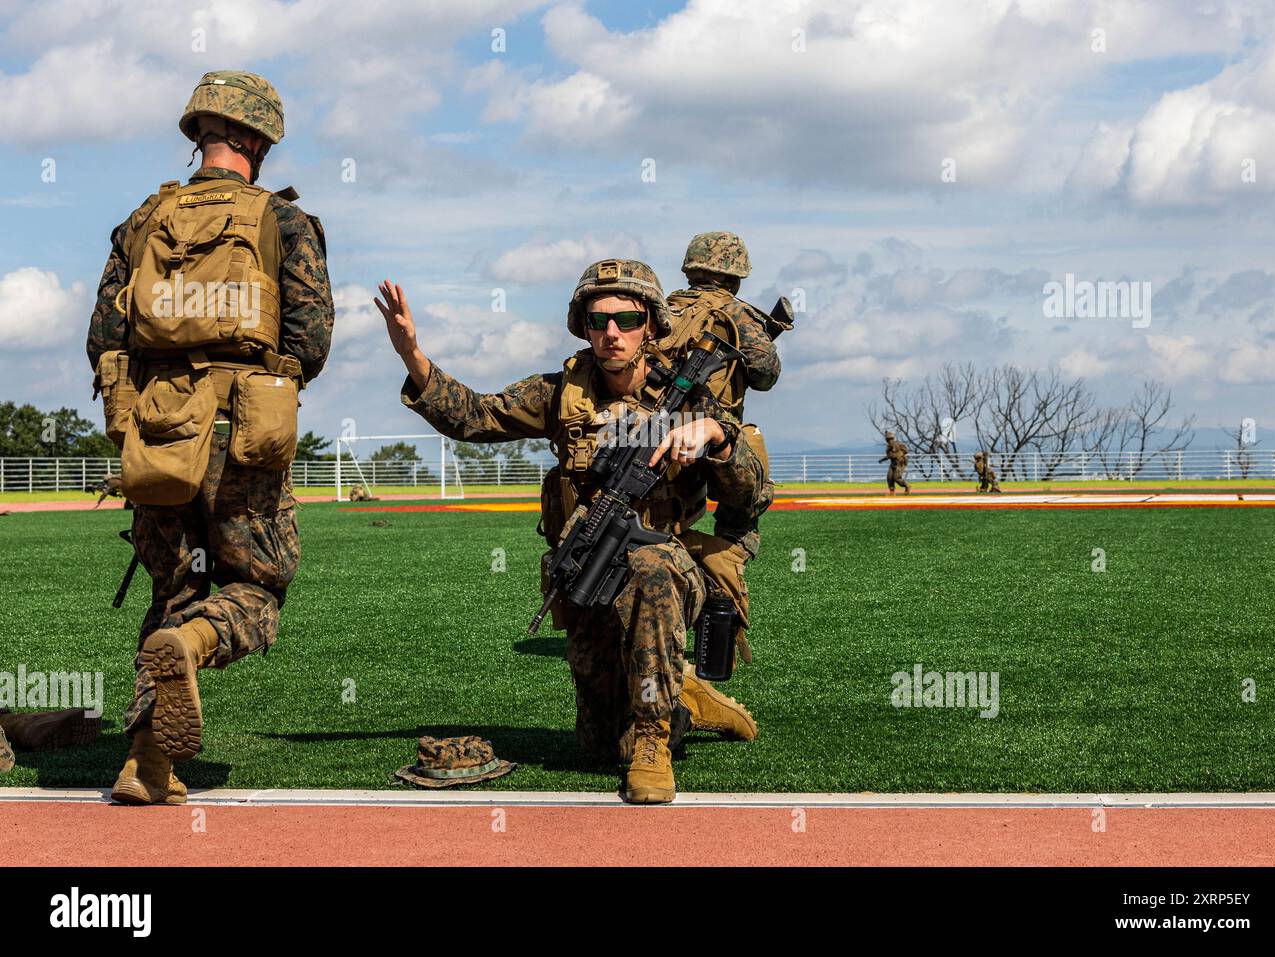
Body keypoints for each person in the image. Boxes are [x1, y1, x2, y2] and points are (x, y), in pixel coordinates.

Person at [377, 260, 766, 804]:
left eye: (627, 319)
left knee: (650, 571)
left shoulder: (690, 399)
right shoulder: (561, 394)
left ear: (651, 324)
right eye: (597, 319)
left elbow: (753, 495)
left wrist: (719, 438)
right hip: (590, 577)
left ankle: (656, 737)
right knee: (601, 745)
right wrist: (413, 357)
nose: (612, 332)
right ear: (582, 325)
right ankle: (684, 696)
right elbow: (476, 416)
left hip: (668, 572)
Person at [87, 70, 334, 806]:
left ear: (199, 134)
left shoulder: (141, 222)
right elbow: (310, 341)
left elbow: (104, 334)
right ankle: (192, 648)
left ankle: (144, 763)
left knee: (174, 586)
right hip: (240, 436)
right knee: (257, 586)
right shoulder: (283, 223)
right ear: (258, 140)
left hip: (158, 434)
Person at [663, 231, 788, 665]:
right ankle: (723, 602)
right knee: (746, 506)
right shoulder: (737, 313)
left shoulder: (660, 308)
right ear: (736, 276)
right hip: (715, 438)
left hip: (656, 436)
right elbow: (766, 374)